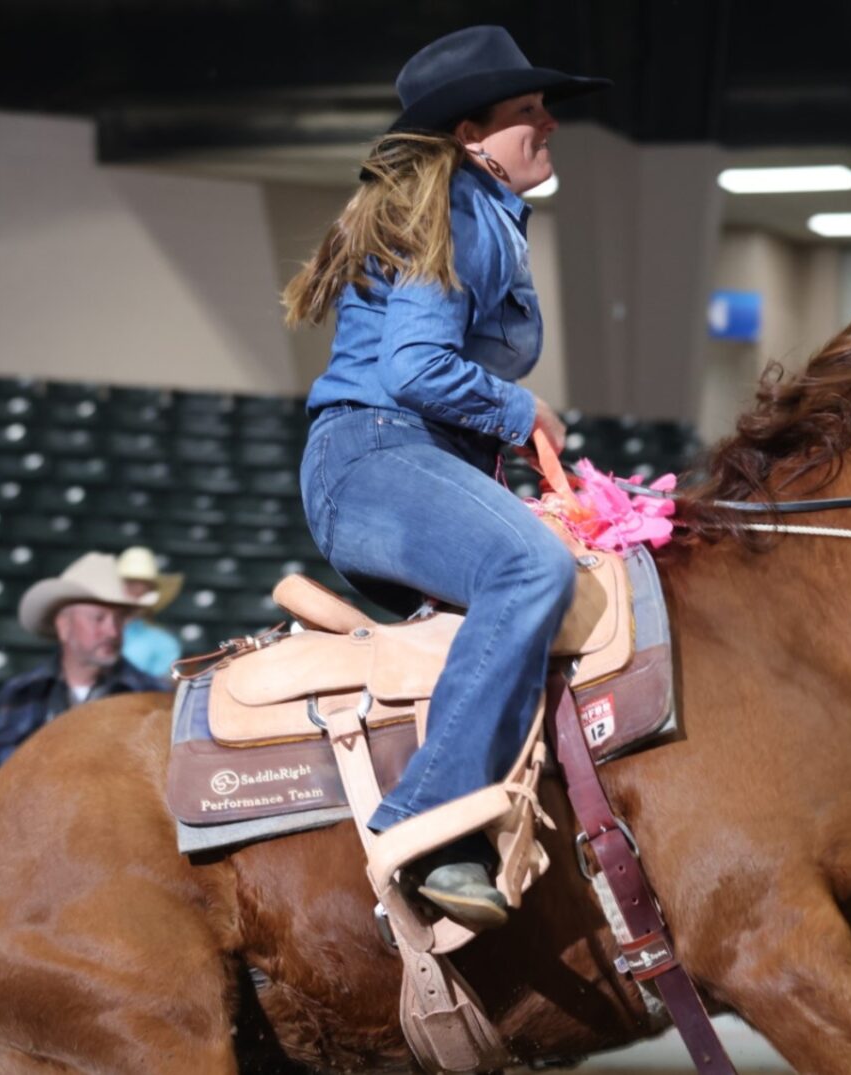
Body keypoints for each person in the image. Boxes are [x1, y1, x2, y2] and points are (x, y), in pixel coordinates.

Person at [281, 25, 606, 930]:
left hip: (405, 459)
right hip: (378, 456)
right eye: (527, 112)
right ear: (470, 134)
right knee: (530, 570)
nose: (548, 124)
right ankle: (422, 819)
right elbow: (419, 366)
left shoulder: (482, 210)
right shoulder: (460, 212)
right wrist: (524, 413)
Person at [0, 553, 167, 788]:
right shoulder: (19, 695)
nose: (112, 631)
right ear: (64, 626)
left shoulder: (153, 697)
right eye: (99, 618)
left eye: (118, 619)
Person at [115, 546, 183, 679]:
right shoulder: (91, 633)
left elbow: (162, 692)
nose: (137, 591)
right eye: (130, 583)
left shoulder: (164, 643)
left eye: (143, 585)